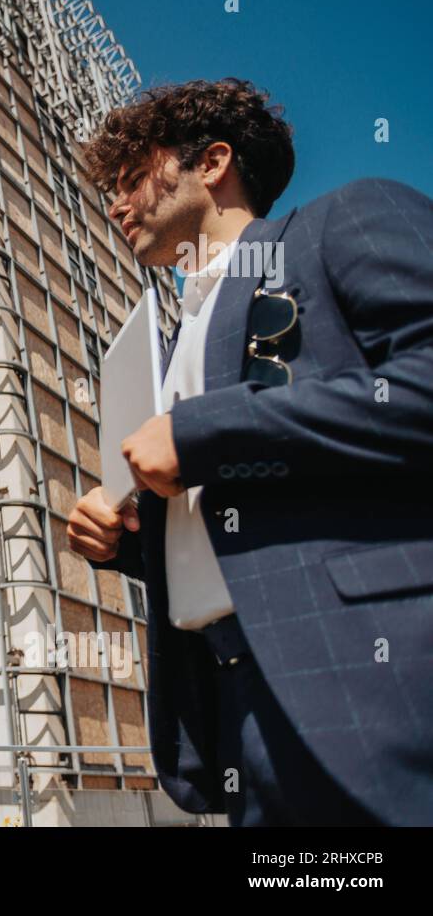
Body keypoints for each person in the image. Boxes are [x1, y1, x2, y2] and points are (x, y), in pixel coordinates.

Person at [67, 78, 433, 825]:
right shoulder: (167, 350)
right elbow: (246, 517)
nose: (114, 205)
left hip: (371, 679)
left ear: (213, 163)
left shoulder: (344, 219)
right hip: (232, 709)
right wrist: (128, 542)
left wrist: (205, 434)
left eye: (132, 178)